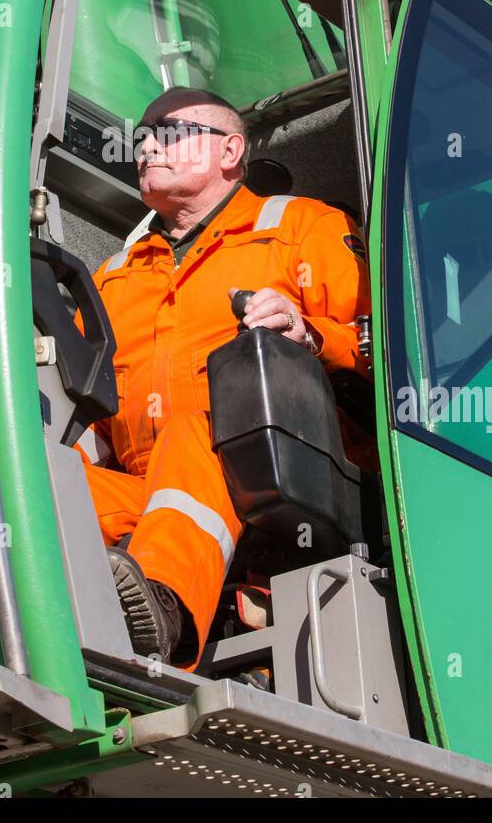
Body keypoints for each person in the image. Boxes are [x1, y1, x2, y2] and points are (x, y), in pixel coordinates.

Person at [74, 86, 372, 668]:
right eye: (142, 136)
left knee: (201, 423)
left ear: (230, 151)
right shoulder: (111, 280)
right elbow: (86, 412)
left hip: (290, 469)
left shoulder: (302, 226)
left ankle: (161, 610)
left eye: (170, 131)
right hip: (159, 492)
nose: (146, 146)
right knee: (37, 484)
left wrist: (308, 334)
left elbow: (381, 353)